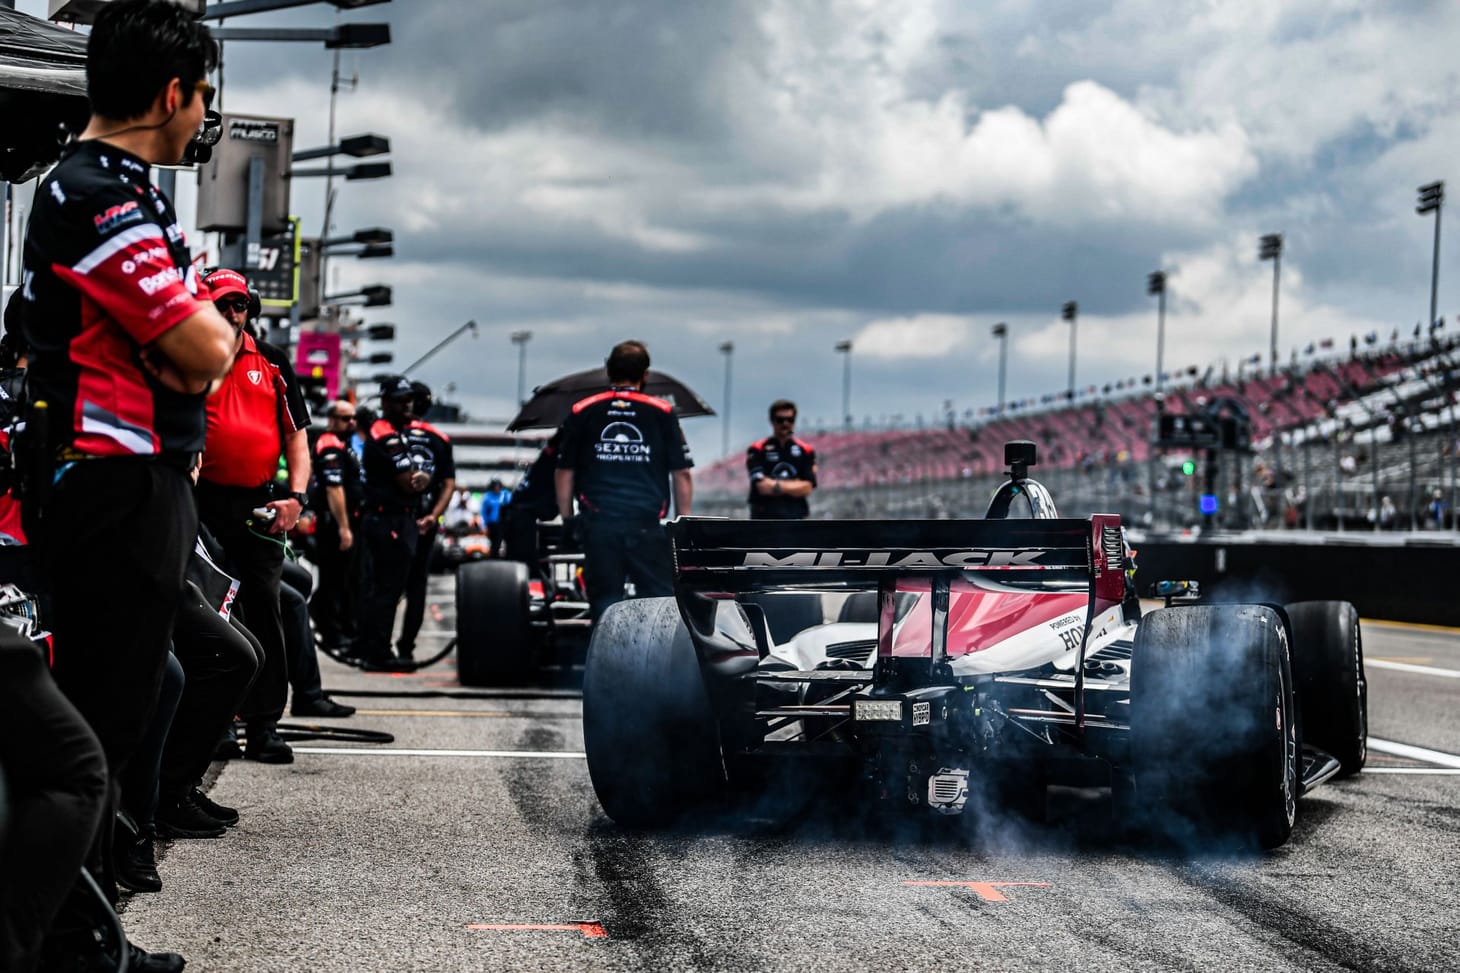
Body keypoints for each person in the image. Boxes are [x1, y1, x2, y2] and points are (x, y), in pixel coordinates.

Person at [16, 2, 231, 968]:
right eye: (202, 98)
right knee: (95, 733)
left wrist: (198, 353)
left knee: (117, 721)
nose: (203, 117)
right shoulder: (98, 192)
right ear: (172, 92)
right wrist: (198, 347)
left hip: (125, 487)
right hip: (114, 487)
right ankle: (69, 946)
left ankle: (85, 932)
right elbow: (199, 349)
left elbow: (199, 357)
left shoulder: (117, 187)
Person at [194, 266, 311, 764]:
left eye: (239, 303)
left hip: (259, 504)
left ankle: (264, 725)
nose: (231, 311)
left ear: (251, 308)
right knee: (208, 608)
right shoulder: (190, 356)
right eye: (222, 303)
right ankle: (214, 724)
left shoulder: (272, 361)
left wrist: (296, 499)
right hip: (201, 502)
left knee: (265, 606)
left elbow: (297, 437)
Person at [556, 341, 693, 623]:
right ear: (645, 375)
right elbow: (682, 474)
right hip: (645, 526)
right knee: (658, 610)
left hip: (599, 526)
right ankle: (653, 665)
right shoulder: (662, 412)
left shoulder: (583, 409)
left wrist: (568, 519)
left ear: (608, 370)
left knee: (605, 608)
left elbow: (564, 471)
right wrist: (683, 524)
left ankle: (602, 663)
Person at [354, 376, 432, 669]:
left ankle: (370, 647)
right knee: (388, 589)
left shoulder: (389, 431)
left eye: (409, 399)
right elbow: (409, 483)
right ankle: (379, 653)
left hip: (386, 518)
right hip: (390, 520)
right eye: (400, 400)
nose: (407, 404)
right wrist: (426, 478)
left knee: (380, 588)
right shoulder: (386, 434)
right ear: (385, 402)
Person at [397, 380, 455, 661]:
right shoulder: (440, 439)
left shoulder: (389, 433)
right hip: (425, 521)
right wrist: (433, 516)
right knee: (416, 584)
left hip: (396, 518)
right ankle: (405, 647)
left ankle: (377, 645)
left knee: (385, 583)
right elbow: (449, 484)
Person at [309, 399, 364, 651]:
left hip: (346, 521)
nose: (351, 422)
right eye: (345, 418)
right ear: (332, 420)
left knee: (345, 579)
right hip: (334, 524)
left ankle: (341, 628)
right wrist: (344, 527)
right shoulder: (329, 443)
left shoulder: (345, 445)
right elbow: (334, 489)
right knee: (334, 580)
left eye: (353, 417)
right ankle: (330, 631)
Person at [746, 398, 818, 519]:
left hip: (796, 518)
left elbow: (807, 488)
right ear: (772, 421)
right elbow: (762, 487)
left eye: (790, 420)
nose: (785, 424)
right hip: (764, 519)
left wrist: (775, 485)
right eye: (780, 420)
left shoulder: (806, 450)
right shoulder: (757, 449)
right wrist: (794, 485)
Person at [480, 478, 512, 556]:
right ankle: (494, 557)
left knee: (507, 542)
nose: (497, 488)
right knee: (495, 543)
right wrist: (484, 525)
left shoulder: (505, 494)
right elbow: (483, 512)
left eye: (498, 486)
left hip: (504, 523)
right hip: (493, 524)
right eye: (495, 486)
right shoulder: (488, 497)